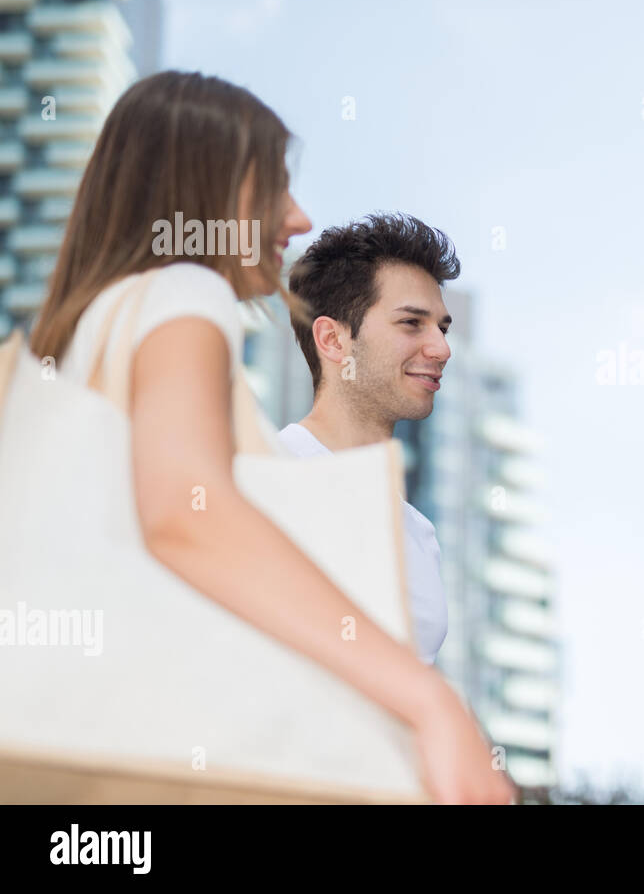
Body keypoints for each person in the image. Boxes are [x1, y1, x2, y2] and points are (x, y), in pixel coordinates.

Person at [29, 70, 513, 805]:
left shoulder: (98, 326)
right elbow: (187, 516)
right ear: (212, 189)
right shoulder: (184, 293)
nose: (297, 216)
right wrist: (430, 701)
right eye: (276, 186)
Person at [279, 213, 454, 667]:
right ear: (333, 340)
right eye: (412, 323)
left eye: (443, 328)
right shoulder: (266, 476)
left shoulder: (419, 534)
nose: (441, 349)